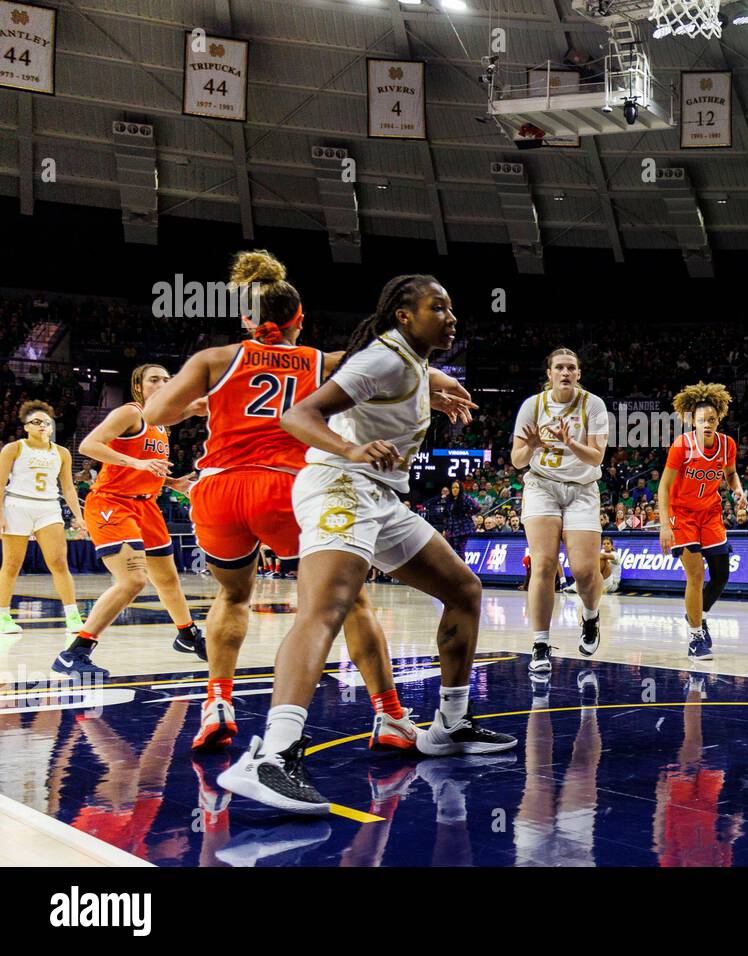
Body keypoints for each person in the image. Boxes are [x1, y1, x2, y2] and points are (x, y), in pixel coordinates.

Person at [144, 249, 473, 753]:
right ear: (299, 319)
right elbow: (389, 366)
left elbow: (156, 415)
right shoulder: (318, 360)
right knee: (350, 600)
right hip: (284, 486)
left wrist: (203, 402)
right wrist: (441, 381)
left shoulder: (215, 359)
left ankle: (217, 704)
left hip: (218, 489)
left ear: (247, 319)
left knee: (232, 597)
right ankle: (388, 715)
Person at [217, 274, 516, 815]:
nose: (451, 317)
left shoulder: (408, 360)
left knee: (464, 589)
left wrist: (435, 384)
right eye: (438, 307)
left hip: (380, 498)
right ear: (404, 314)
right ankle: (274, 757)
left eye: (451, 308)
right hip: (339, 485)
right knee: (324, 610)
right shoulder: (384, 358)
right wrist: (348, 450)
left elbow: (404, 377)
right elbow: (298, 414)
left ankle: (449, 724)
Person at [54, 365, 205, 679]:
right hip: (112, 503)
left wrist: (169, 482)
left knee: (167, 579)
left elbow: (141, 469)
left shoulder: (161, 426)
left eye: (167, 379)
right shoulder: (129, 413)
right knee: (133, 581)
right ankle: (75, 652)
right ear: (139, 386)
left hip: (146, 505)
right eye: (155, 379)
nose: (163, 383)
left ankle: (187, 635)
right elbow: (88, 446)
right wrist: (138, 462)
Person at [512, 348, 609, 676]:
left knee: (584, 571)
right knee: (544, 564)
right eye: (559, 367)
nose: (565, 372)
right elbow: (517, 460)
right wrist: (533, 446)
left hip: (582, 490)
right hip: (542, 487)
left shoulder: (592, 405)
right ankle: (540, 643)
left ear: (578, 374)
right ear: (550, 373)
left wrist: (570, 442)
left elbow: (596, 458)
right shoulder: (533, 405)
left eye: (571, 368)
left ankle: (591, 615)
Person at [657, 383, 744, 660]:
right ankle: (696, 638)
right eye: (701, 420)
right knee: (695, 575)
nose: (707, 425)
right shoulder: (682, 446)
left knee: (721, 575)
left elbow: (730, 474)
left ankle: (695, 614)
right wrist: (664, 525)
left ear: (719, 420)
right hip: (681, 514)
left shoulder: (727, 444)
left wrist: (737, 489)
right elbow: (663, 487)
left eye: (712, 420)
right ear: (690, 421)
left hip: (710, 513)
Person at [0, 401, 85, 637]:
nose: (42, 426)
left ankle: (73, 616)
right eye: (36, 422)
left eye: (47, 423)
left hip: (48, 508)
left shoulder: (62, 453)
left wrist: (79, 517)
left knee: (59, 562)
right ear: (26, 426)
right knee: (11, 564)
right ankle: (3, 616)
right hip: (17, 505)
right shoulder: (13, 449)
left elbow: (68, 489)